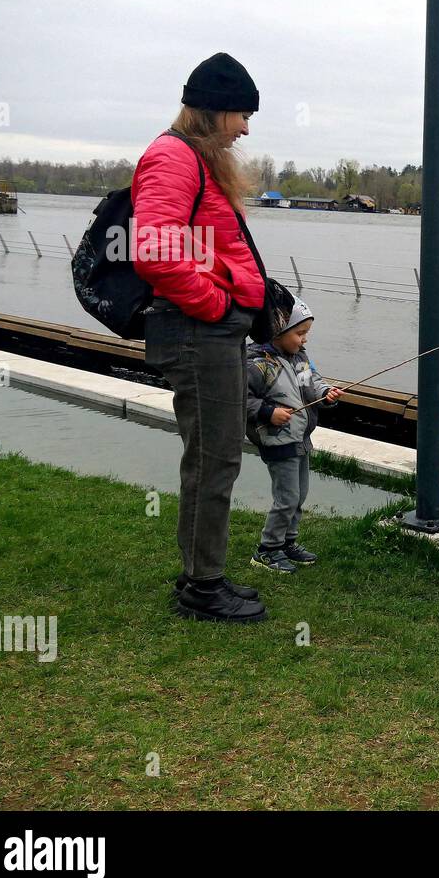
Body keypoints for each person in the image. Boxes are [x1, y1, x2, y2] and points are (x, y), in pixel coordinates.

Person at [133, 52, 269, 622]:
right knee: (214, 459)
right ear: (213, 111)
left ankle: (201, 575)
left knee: (213, 457)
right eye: (241, 114)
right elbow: (156, 250)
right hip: (197, 331)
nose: (246, 128)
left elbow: (203, 246)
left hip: (207, 330)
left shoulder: (195, 159)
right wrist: (217, 305)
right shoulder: (174, 157)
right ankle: (203, 588)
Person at [245, 297, 342, 573]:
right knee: (286, 497)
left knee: (299, 495)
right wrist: (267, 412)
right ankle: (267, 550)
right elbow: (240, 398)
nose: (304, 340)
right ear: (276, 330)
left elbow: (311, 382)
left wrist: (325, 394)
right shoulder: (257, 364)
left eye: (306, 334)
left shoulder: (299, 358)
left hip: (300, 438)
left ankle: (288, 542)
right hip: (278, 440)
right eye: (300, 334)